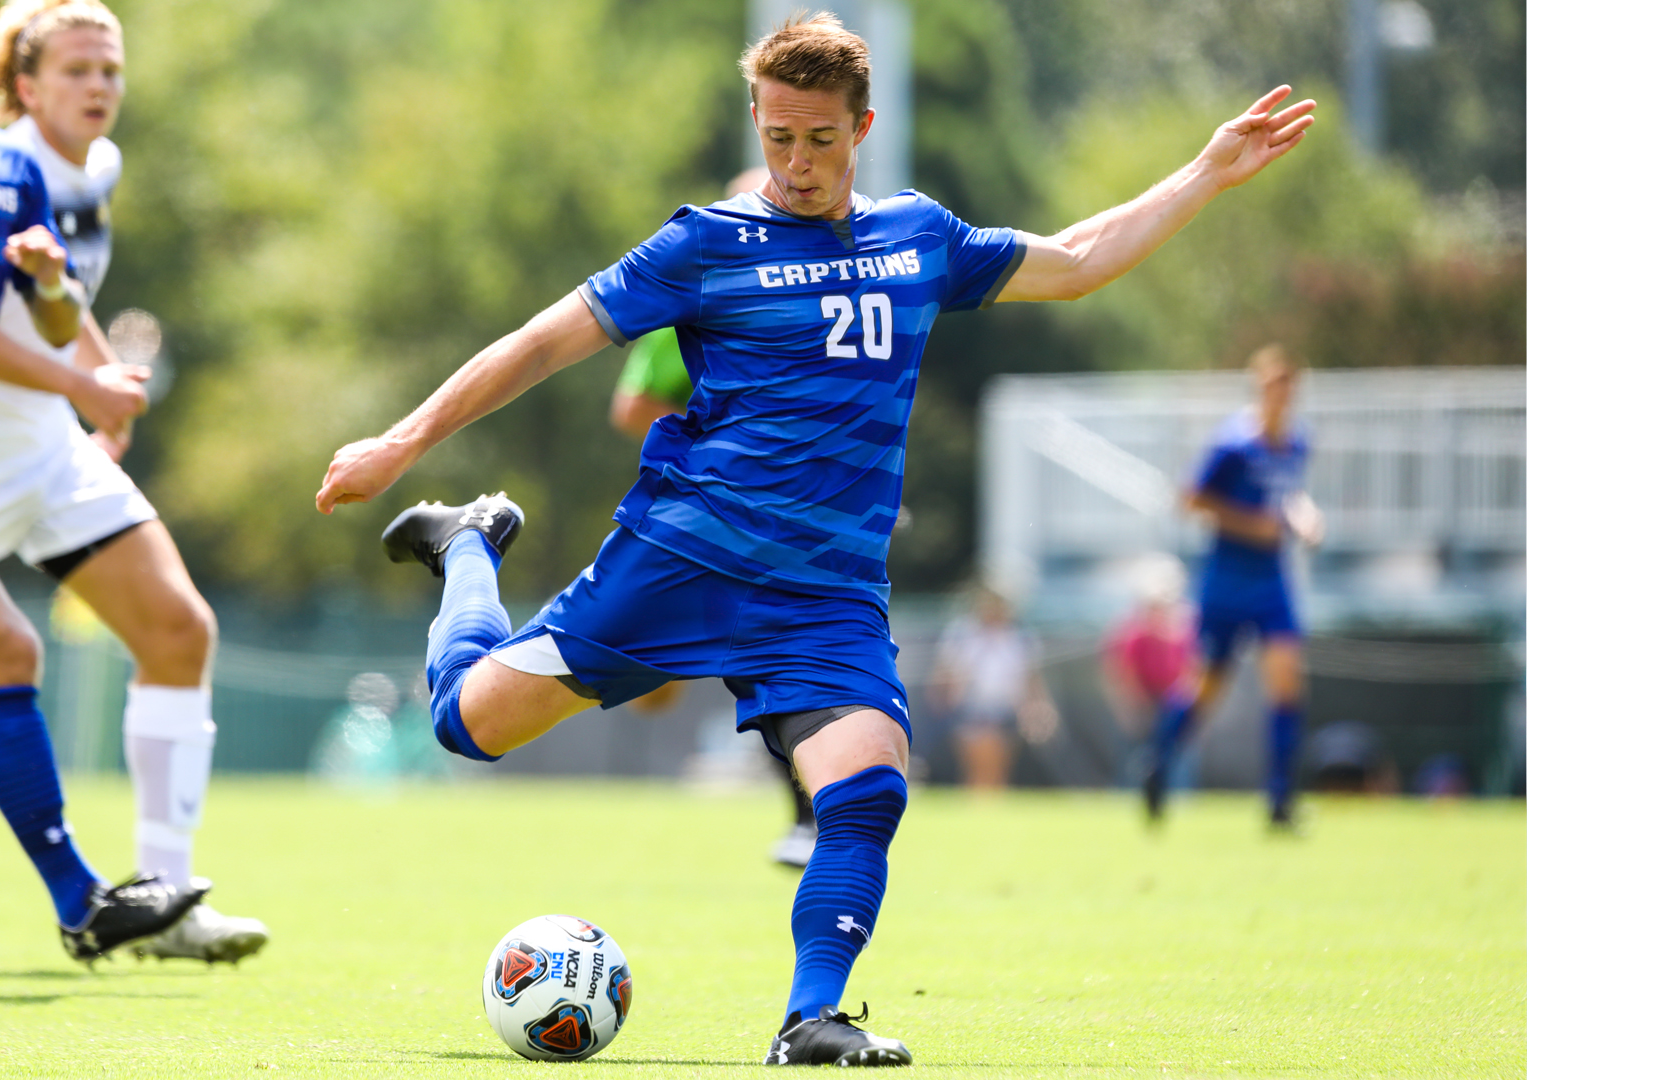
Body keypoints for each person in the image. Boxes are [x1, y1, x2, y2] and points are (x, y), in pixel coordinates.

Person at [316, 14, 1314, 1065]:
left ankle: (811, 1021)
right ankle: (469, 546)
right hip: (681, 564)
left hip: (824, 596)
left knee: (870, 787)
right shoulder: (704, 245)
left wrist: (1205, 170)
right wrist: (402, 438)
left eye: (822, 140)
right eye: (780, 135)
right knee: (466, 729)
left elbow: (1074, 260)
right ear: (758, 118)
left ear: (863, 129)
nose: (797, 162)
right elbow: (540, 343)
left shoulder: (918, 239)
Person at [0, 0, 269, 965]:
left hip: (46, 452)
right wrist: (88, 379)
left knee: (179, 629)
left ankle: (160, 898)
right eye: (78, 70)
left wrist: (94, 384)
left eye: (111, 70)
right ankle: (84, 899)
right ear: (27, 82)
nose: (99, 88)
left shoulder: (70, 170)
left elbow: (56, 305)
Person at [607, 168, 820, 868]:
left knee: (787, 656)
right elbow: (631, 409)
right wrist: (718, 433)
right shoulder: (701, 295)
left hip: (791, 520)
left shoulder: (824, 297)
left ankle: (806, 817)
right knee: (656, 693)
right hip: (703, 511)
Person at [1143, 345, 1325, 829]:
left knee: (1287, 681)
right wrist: (1251, 524)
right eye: (1271, 386)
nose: (1279, 396)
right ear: (1258, 388)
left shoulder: (1298, 442)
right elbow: (1189, 499)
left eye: (1286, 387)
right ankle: (1158, 763)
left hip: (1272, 582)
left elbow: (1290, 496)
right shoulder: (1233, 444)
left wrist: (1306, 518)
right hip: (1225, 582)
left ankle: (1280, 802)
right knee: (1205, 690)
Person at [929, 584, 1058, 790]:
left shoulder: (1020, 637)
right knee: (975, 766)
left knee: (1000, 770)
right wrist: (942, 701)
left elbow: (1031, 677)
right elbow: (945, 671)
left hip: (1006, 708)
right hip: (970, 706)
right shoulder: (962, 634)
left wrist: (1038, 708)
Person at [1101, 554, 1195, 784]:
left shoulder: (1186, 625)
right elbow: (1123, 672)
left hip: (1173, 701)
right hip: (1143, 704)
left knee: (1178, 756)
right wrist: (1136, 706)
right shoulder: (1134, 630)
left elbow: (1192, 668)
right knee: (1135, 760)